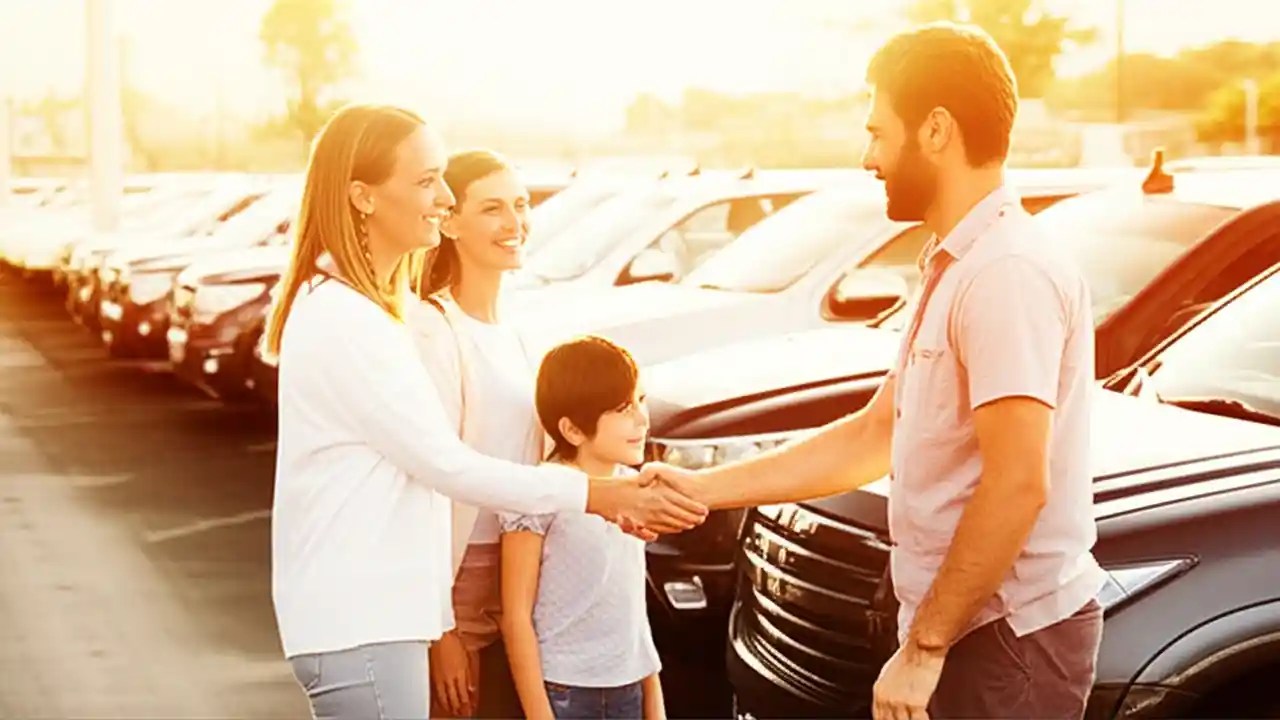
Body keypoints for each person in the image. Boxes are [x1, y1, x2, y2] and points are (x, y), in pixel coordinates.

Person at [643, 23, 1105, 720]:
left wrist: (924, 648)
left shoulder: (1005, 272)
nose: (868, 157)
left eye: (878, 132)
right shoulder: (956, 264)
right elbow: (872, 435)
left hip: (1005, 639)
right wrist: (703, 489)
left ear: (937, 130)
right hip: (968, 631)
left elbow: (1017, 482)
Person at [265, 104, 706, 720]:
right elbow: (446, 465)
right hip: (364, 619)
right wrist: (600, 495)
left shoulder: (358, 313)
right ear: (362, 196)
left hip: (378, 616)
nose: (443, 197)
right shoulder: (350, 320)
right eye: (426, 181)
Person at [403, 148, 546, 718]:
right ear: (451, 221)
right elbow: (423, 484)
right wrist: (440, 630)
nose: (514, 224)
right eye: (493, 209)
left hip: (519, 582)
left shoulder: (517, 333)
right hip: (458, 583)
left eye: (521, 204)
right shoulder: (433, 328)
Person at [500, 336, 664, 720]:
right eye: (624, 408)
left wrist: (653, 700)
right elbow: (516, 617)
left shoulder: (635, 489)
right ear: (572, 430)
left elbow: (633, 611)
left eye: (642, 400)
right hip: (566, 694)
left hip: (630, 692)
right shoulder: (538, 494)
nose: (642, 419)